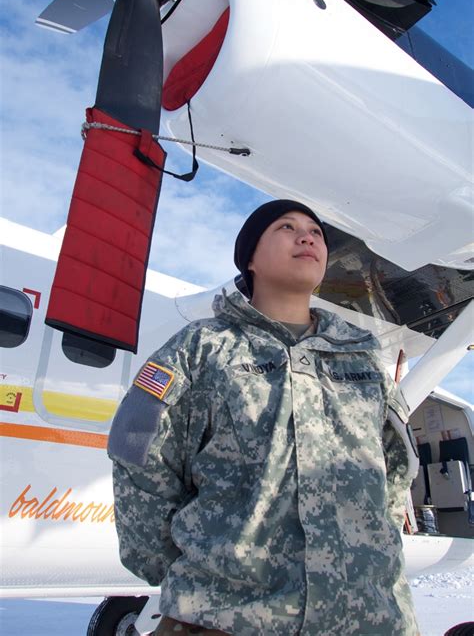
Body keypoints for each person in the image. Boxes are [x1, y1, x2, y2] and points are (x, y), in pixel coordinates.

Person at [108, 199, 420, 635]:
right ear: (250, 258)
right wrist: (185, 568)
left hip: (369, 618)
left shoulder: (363, 355)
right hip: (222, 618)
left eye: (315, 232)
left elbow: (396, 465)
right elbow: (137, 450)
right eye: (287, 227)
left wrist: (368, 550)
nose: (307, 236)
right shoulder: (202, 349)